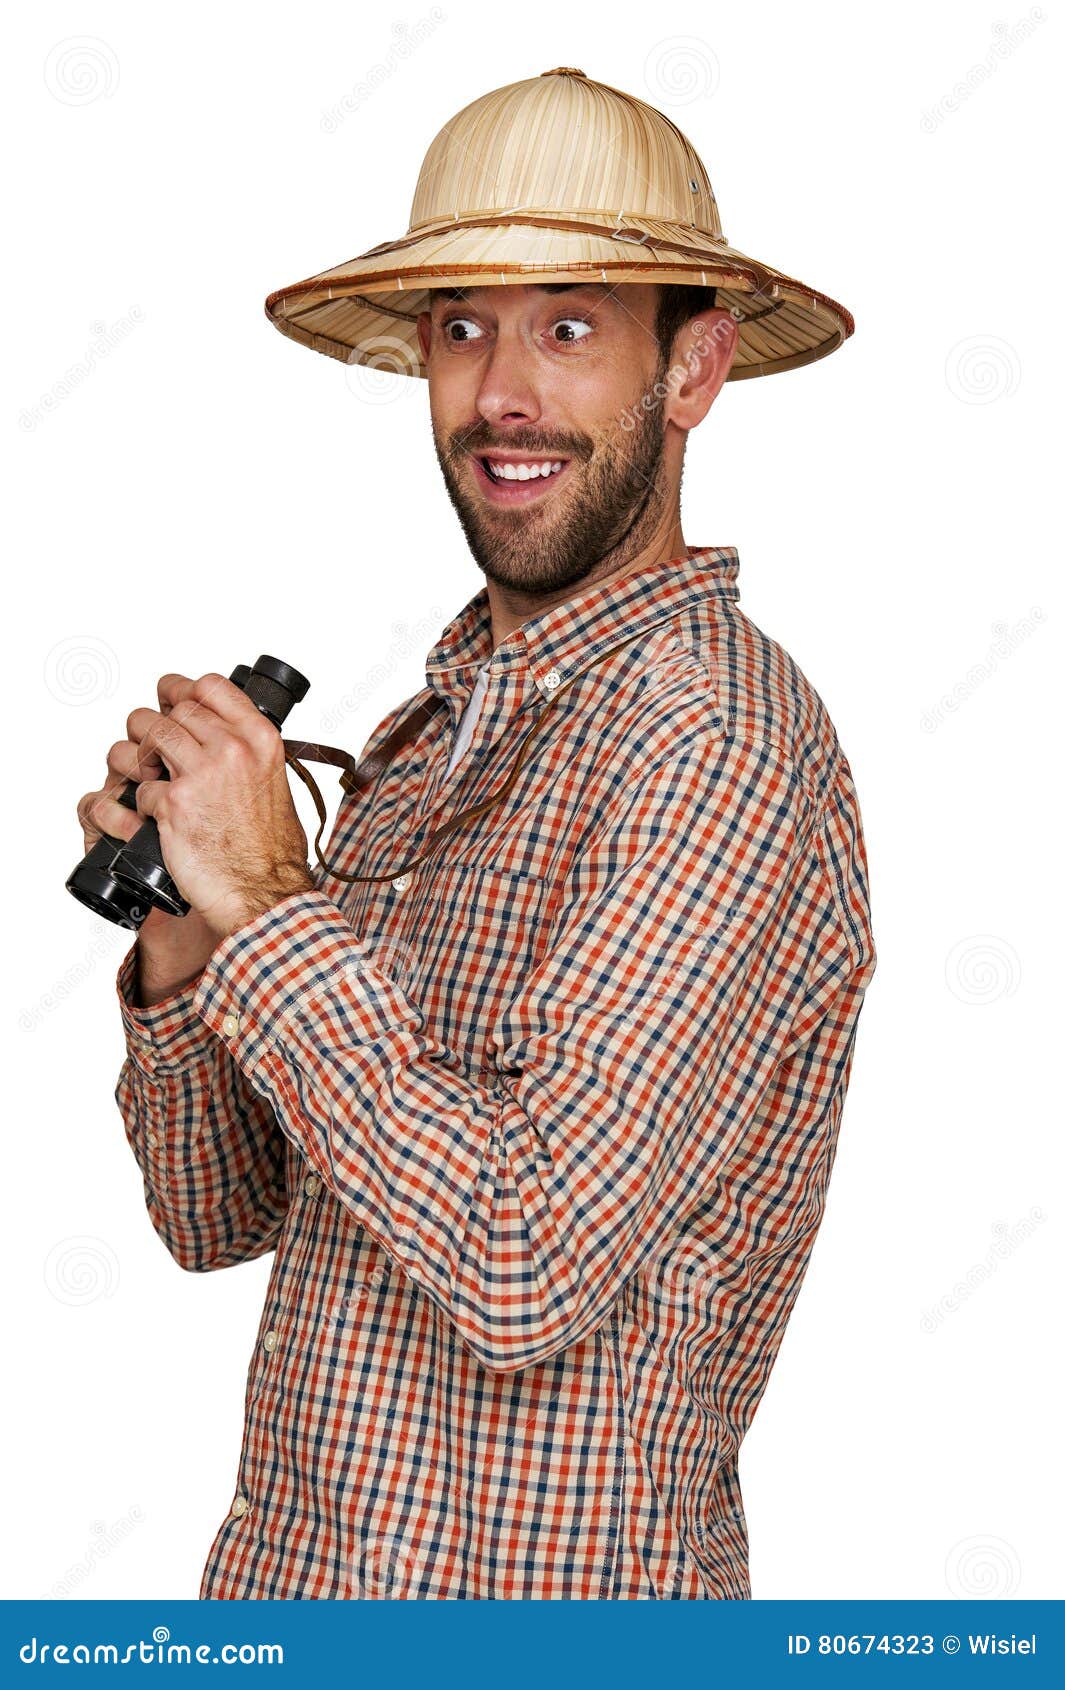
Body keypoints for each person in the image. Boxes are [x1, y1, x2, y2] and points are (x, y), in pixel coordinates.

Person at [77, 68, 876, 1599]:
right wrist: (192, 935)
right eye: (463, 327)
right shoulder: (429, 741)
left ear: (692, 370)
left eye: (569, 328)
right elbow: (219, 1214)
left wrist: (270, 900)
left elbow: (521, 1260)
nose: (502, 392)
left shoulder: (715, 744)